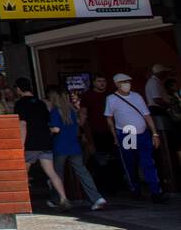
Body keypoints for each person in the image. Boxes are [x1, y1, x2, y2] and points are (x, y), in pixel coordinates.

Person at [105, 72, 166, 202]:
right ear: (116, 84)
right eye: (123, 82)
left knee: (148, 162)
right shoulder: (111, 99)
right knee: (130, 163)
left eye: (128, 81)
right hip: (128, 133)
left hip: (142, 133)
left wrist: (154, 133)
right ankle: (135, 189)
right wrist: (115, 136)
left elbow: (147, 115)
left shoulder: (137, 96)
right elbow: (109, 119)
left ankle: (155, 192)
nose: (127, 84)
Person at [13, 78, 71, 209]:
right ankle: (63, 198)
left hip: (31, 142)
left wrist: (21, 144)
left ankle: (23, 202)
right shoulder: (41, 103)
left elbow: (23, 124)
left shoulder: (20, 104)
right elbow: (47, 121)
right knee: (51, 172)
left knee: (24, 172)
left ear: (18, 89)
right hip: (45, 141)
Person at [47, 89, 106, 210]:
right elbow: (79, 125)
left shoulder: (55, 111)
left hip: (60, 146)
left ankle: (57, 199)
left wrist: (47, 128)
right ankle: (97, 197)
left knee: (57, 174)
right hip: (74, 146)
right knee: (83, 172)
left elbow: (56, 129)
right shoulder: (72, 111)